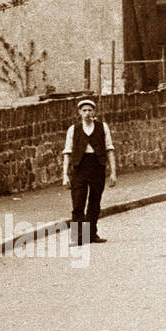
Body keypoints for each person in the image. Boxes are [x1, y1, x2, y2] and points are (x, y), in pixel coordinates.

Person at [62, 98, 116, 245]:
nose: (87, 113)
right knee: (78, 203)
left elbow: (109, 149)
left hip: (97, 166)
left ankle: (91, 234)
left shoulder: (102, 127)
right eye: (84, 110)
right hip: (79, 167)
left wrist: (113, 172)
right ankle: (77, 237)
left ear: (94, 112)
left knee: (94, 203)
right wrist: (65, 175)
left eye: (90, 110)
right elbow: (67, 152)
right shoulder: (73, 129)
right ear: (79, 112)